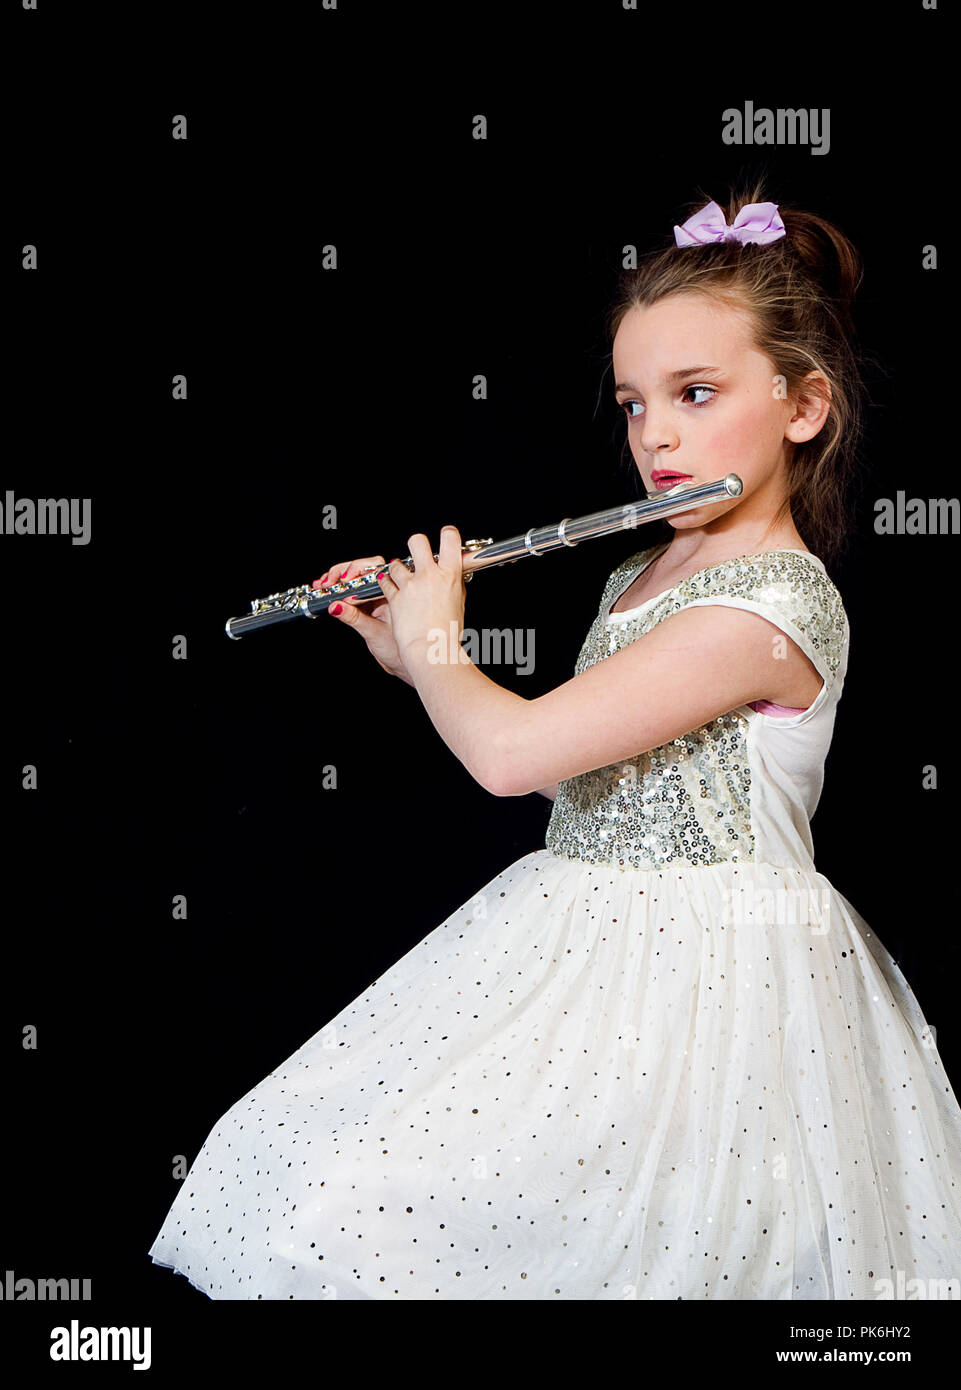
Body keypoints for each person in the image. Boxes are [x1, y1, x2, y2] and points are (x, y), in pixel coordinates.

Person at [148, 184, 961, 1299]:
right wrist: (409, 648)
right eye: (633, 404)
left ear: (802, 405)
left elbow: (510, 757)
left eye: (695, 392)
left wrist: (445, 650)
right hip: (582, 947)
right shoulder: (642, 569)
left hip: (712, 998)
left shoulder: (769, 603)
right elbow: (563, 750)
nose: (657, 435)